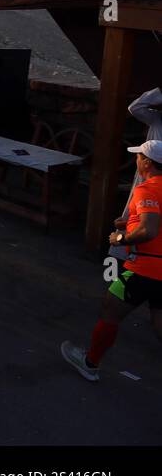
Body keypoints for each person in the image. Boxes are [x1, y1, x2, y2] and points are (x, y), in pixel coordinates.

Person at [61, 140, 162, 382]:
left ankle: (90, 363)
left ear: (147, 162)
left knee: (110, 309)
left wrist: (121, 237)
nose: (136, 160)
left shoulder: (146, 189)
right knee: (159, 321)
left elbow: (149, 230)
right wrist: (129, 222)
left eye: (139, 157)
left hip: (143, 269)